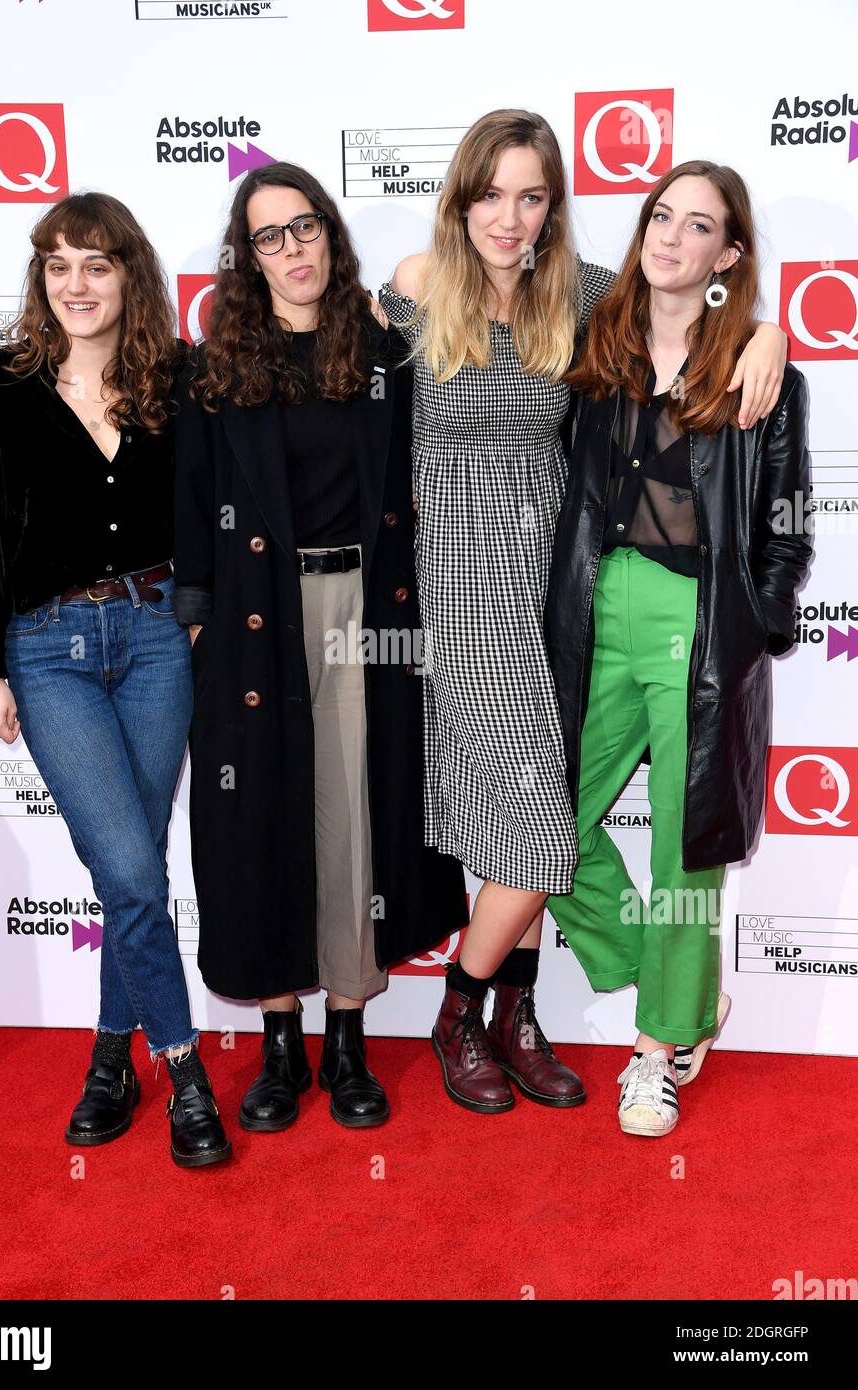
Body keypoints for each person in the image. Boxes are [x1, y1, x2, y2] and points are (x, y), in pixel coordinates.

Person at [378, 111, 788, 1114]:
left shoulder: (582, 291)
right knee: (533, 821)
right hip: (460, 580)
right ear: (460, 197)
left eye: (530, 197)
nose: (509, 219)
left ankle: (511, 1015)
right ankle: (465, 1009)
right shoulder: (417, 284)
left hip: (561, 585)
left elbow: (691, 305)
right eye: (491, 195)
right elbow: (336, 392)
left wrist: (769, 329)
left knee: (545, 810)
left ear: (552, 204)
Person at [172, 162, 468, 1132]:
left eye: (305, 228)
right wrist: (200, 626)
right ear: (247, 257)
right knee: (257, 820)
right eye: (270, 236)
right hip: (255, 622)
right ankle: (278, 1043)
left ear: (330, 238)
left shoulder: (384, 353)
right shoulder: (214, 369)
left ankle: (347, 1035)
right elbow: (189, 518)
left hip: (363, 614)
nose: (292, 249)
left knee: (354, 816)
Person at [0, 192, 230, 1168]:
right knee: (131, 869)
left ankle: (111, 1056)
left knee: (133, 870)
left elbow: (205, 505)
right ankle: (185, 1071)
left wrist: (192, 611)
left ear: (128, 276)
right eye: (58, 264)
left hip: (157, 642)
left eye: (96, 264)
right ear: (41, 277)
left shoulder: (175, 379)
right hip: (48, 649)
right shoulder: (0, 385)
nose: (76, 283)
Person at [544, 160, 812, 1136]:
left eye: (697, 226)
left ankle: (656, 1048)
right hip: (592, 601)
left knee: (683, 846)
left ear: (726, 254)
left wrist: (756, 623)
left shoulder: (758, 367)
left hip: (699, 620)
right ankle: (682, 991)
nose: (669, 236)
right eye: (661, 215)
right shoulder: (591, 338)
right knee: (538, 823)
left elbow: (786, 524)